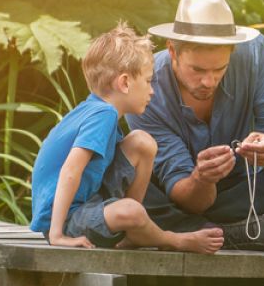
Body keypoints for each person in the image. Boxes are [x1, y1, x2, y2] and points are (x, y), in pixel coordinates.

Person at [127, 0, 264, 251]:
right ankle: (226, 233)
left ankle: (186, 231)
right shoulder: (145, 87)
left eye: (220, 69)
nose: (208, 81)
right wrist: (201, 178)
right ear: (173, 51)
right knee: (125, 190)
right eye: (197, 70)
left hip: (239, 189)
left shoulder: (254, 53)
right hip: (177, 191)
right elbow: (182, 190)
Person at [29, 23, 224, 254]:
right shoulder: (102, 115)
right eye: (148, 81)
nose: (152, 91)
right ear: (124, 83)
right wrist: (57, 234)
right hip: (68, 218)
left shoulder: (97, 109)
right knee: (131, 211)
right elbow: (70, 170)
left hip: (86, 202)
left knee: (142, 142)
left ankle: (134, 233)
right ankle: (173, 240)